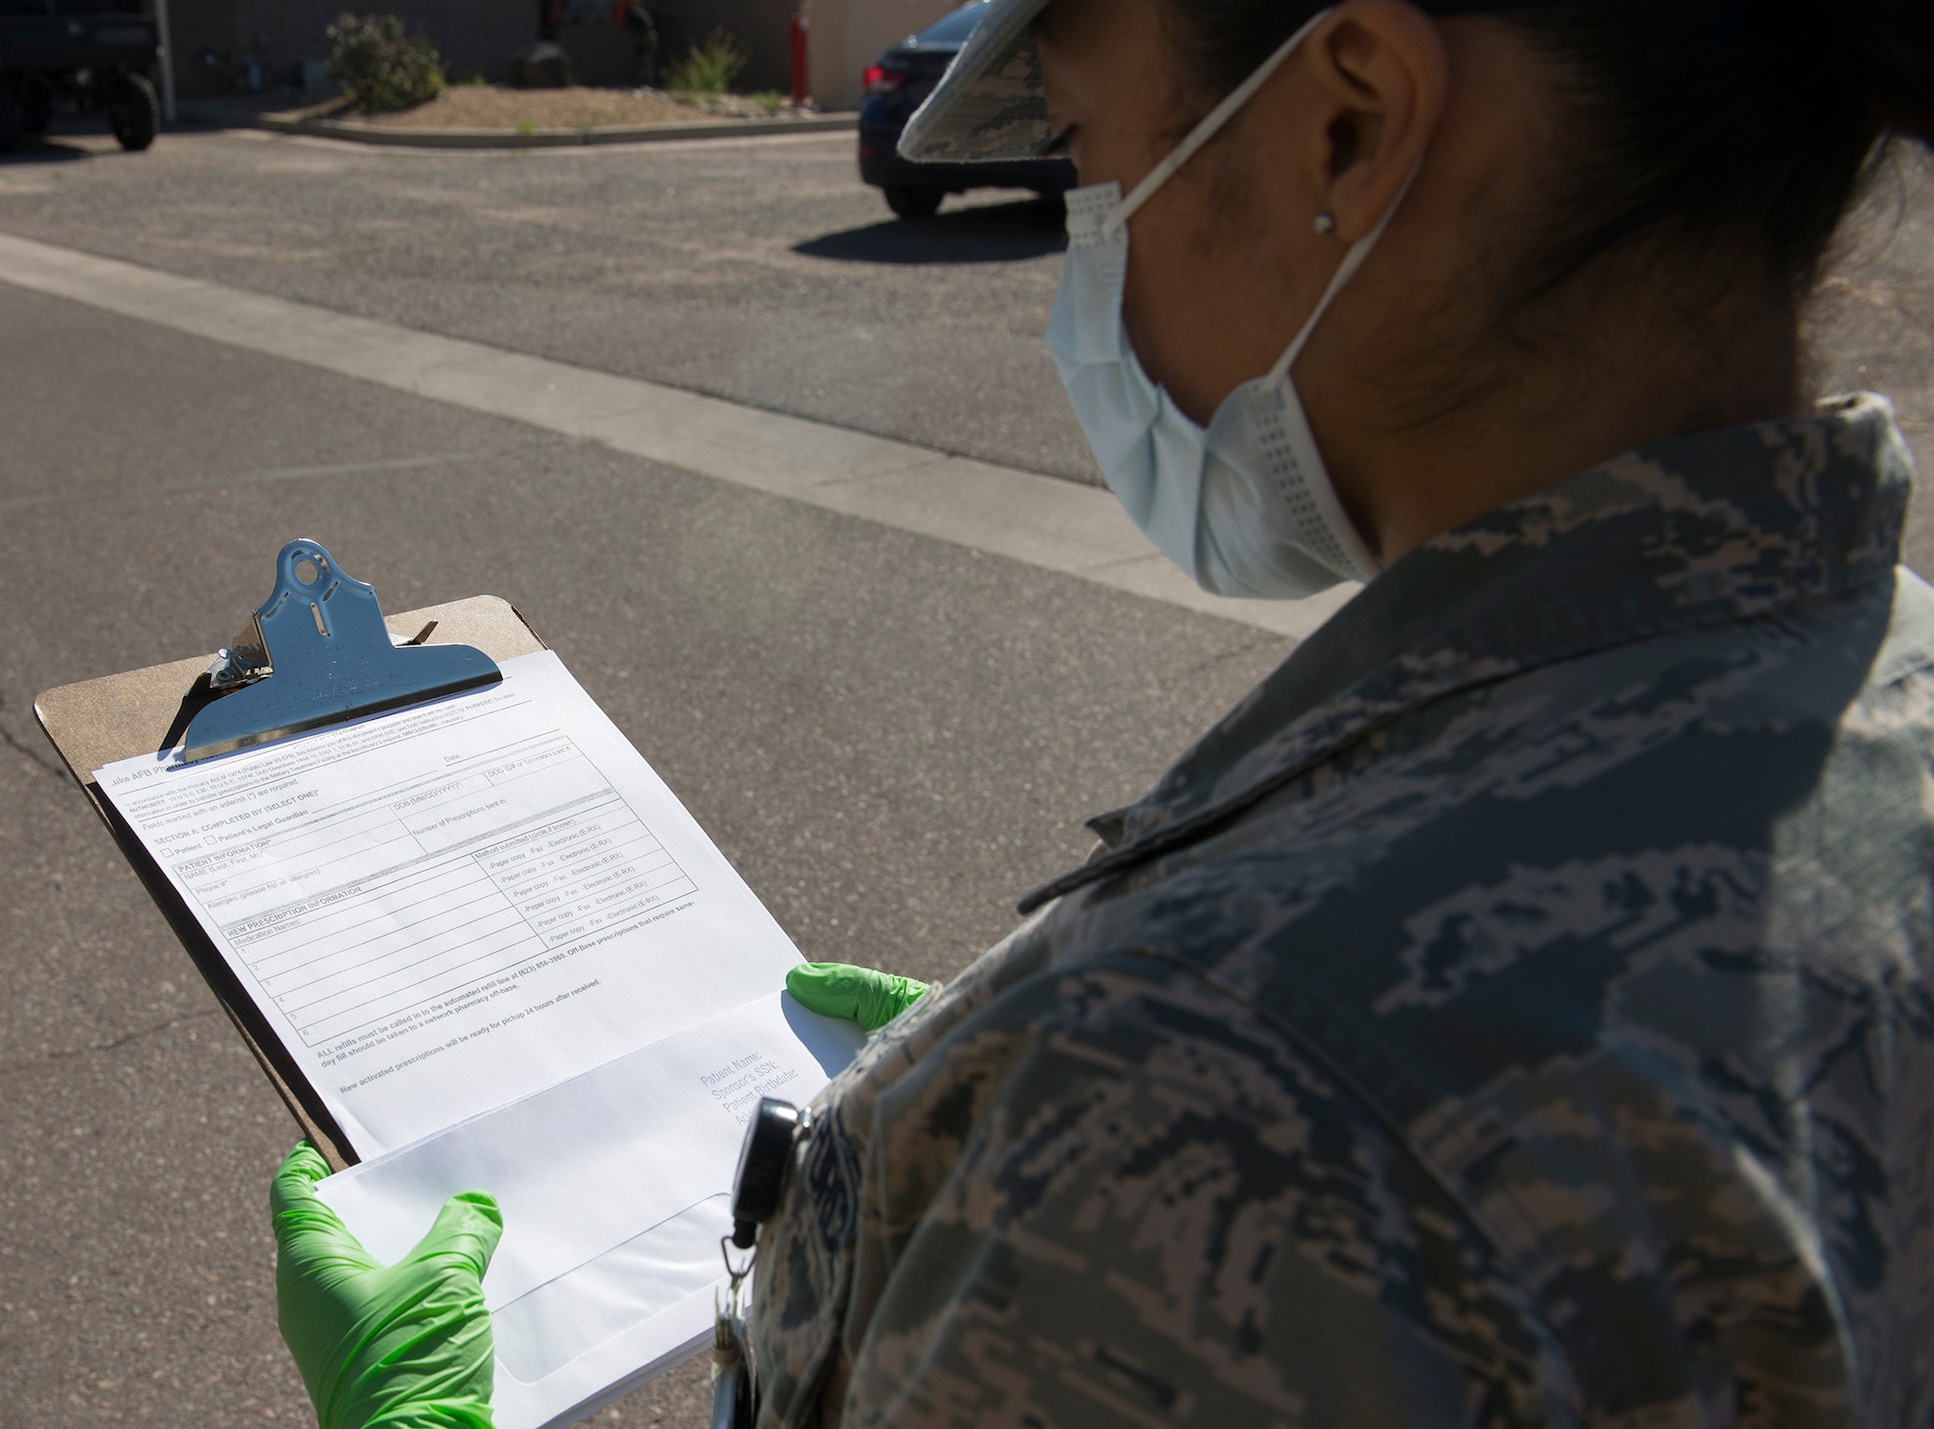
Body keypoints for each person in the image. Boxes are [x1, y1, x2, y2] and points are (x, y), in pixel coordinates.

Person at [268, 0, 1934, 1424]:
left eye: (1085, 157)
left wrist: (1118, 1112)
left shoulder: (1195, 1117)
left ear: (1346, 131)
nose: (1091, 266)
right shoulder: (1888, 696)